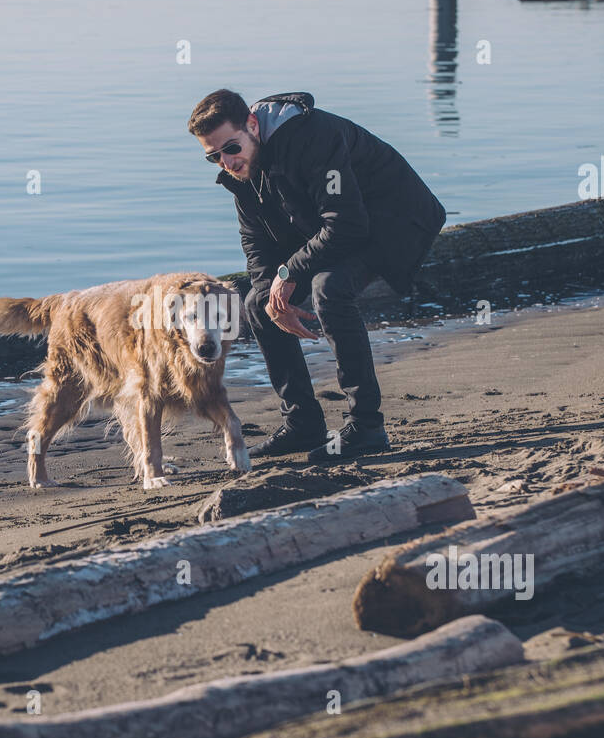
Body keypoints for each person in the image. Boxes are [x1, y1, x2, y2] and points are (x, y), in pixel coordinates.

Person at [187, 90, 445, 462]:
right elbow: (256, 243)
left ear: (253, 126)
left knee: (331, 288)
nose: (226, 162)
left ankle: (367, 426)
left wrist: (290, 272)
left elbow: (347, 223)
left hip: (394, 221)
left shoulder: (312, 137)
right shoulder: (242, 171)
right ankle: (303, 423)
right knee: (257, 303)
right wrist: (274, 294)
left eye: (230, 147)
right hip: (335, 226)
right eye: (214, 156)